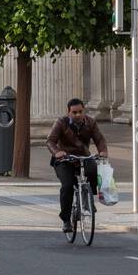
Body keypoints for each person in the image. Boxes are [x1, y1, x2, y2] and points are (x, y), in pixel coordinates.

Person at [46, 98, 109, 232]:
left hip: (83, 157)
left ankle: (87, 199)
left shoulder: (91, 122)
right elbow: (50, 141)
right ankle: (66, 220)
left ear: (84, 111)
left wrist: (102, 151)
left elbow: (99, 139)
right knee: (67, 186)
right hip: (64, 159)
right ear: (68, 112)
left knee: (93, 170)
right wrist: (57, 152)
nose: (78, 115)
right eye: (74, 112)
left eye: (80, 112)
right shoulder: (61, 122)